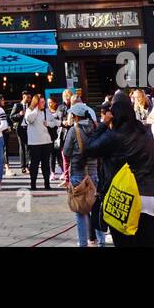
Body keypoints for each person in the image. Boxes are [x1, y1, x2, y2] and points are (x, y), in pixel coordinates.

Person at [81, 96, 154, 247]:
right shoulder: (146, 133)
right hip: (149, 196)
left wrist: (103, 124)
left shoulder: (113, 136)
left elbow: (88, 148)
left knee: (124, 243)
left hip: (123, 197)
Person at [61, 103, 99, 247]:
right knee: (96, 209)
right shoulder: (96, 128)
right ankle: (99, 241)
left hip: (78, 173)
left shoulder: (74, 130)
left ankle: (83, 243)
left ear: (76, 116)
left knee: (80, 211)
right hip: (94, 173)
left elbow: (66, 152)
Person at [24, 94, 54, 191]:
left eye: (44, 102)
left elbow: (54, 122)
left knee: (46, 164)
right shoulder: (29, 111)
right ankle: (33, 184)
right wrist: (36, 109)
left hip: (46, 141)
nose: (44, 104)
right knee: (34, 165)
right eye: (41, 102)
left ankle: (47, 184)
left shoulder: (46, 111)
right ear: (36, 103)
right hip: (34, 143)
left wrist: (48, 123)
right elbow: (29, 120)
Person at [10, 91, 30, 174]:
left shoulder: (30, 106)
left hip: (29, 128)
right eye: (28, 97)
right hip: (20, 128)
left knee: (28, 147)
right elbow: (11, 116)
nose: (29, 99)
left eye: (30, 97)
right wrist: (19, 114)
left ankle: (28, 165)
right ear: (23, 96)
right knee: (22, 147)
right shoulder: (17, 105)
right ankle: (23, 166)